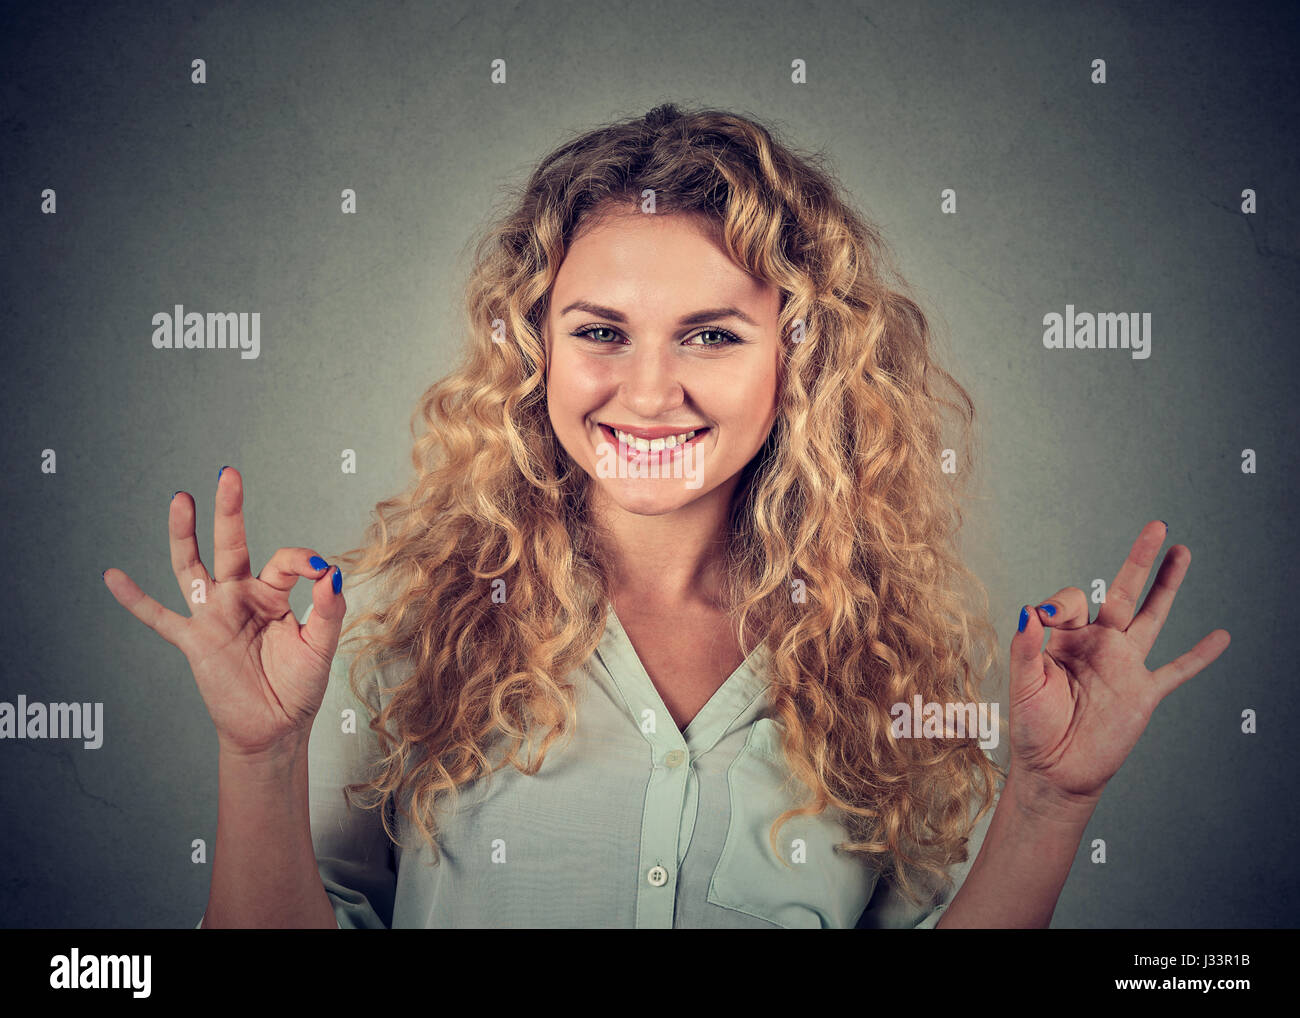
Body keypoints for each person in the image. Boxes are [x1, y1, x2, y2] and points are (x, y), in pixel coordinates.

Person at [104, 103, 1230, 929]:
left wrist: (1047, 799)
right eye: (599, 330)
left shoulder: (885, 665)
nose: (648, 392)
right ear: (532, 349)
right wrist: (258, 754)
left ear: (799, 362)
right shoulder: (394, 633)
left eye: (710, 334)